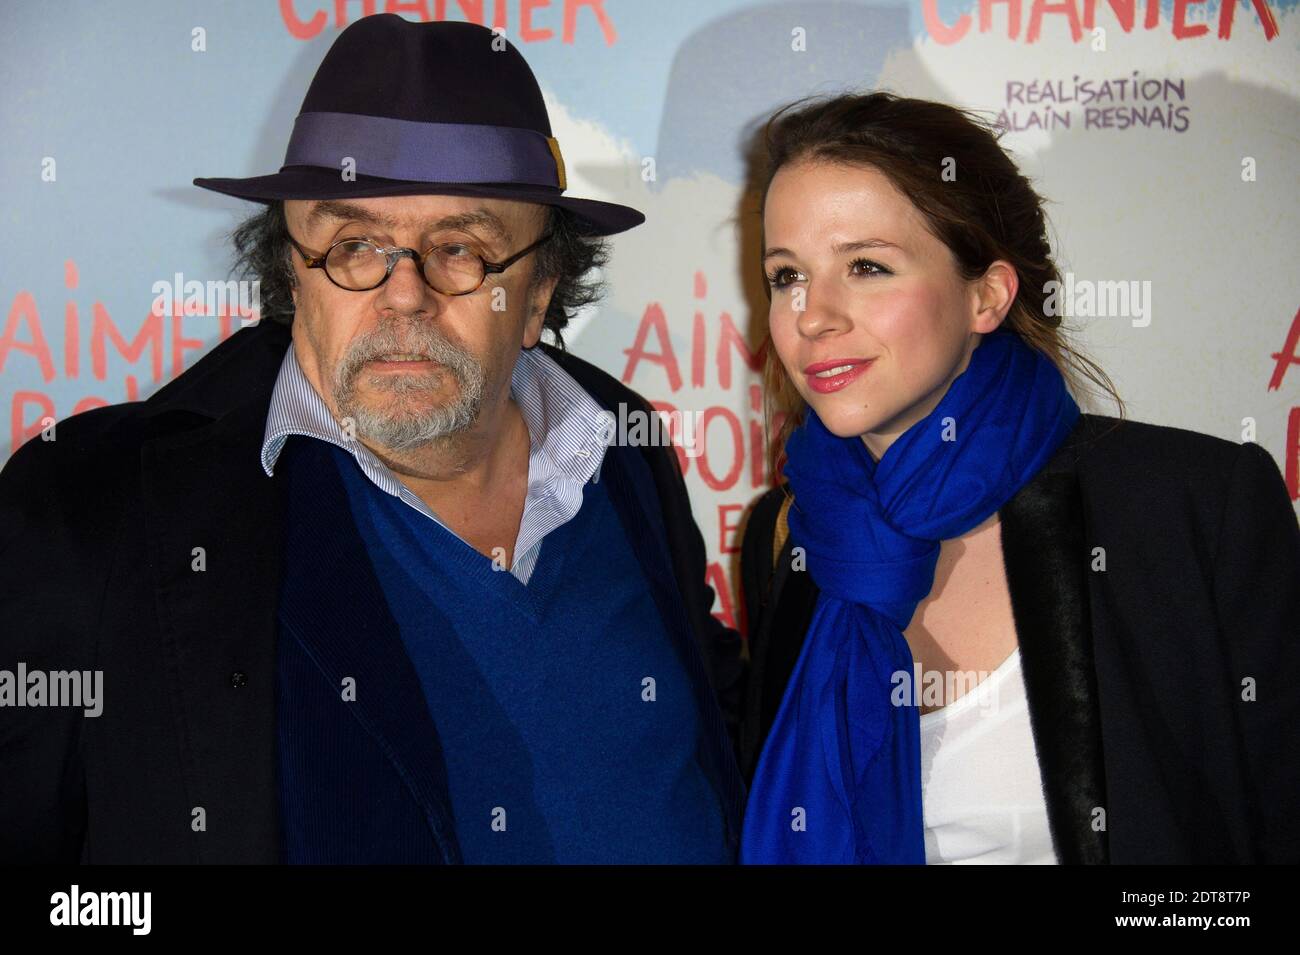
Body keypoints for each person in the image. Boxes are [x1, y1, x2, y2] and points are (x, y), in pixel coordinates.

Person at [0, 15, 745, 864]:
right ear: (290, 270)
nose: (404, 297)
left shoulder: (627, 452)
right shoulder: (94, 509)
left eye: (459, 248)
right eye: (354, 245)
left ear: (540, 290)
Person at [737, 91, 1300, 864]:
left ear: (988, 294)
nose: (811, 315)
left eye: (866, 266)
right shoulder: (792, 538)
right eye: (785, 275)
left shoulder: (1193, 506)